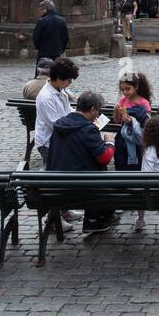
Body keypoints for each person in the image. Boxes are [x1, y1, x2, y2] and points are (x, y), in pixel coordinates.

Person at [45, 91, 116, 234]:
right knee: (109, 182)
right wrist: (109, 142)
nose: (98, 115)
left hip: (56, 185)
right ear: (93, 109)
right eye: (98, 111)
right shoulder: (87, 130)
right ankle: (94, 220)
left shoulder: (60, 124)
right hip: (82, 188)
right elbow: (105, 157)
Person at [33, 57, 79, 168]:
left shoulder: (60, 90)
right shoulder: (46, 98)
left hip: (59, 138)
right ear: (58, 78)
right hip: (48, 142)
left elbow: (67, 110)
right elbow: (57, 124)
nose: (70, 83)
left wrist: (81, 114)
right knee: (52, 169)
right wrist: (80, 123)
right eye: (68, 80)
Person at [113, 72, 153, 171]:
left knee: (136, 163)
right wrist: (116, 111)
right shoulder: (123, 101)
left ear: (136, 87)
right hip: (123, 137)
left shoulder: (144, 102)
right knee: (122, 160)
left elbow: (147, 123)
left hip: (137, 138)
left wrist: (131, 121)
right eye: (122, 90)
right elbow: (117, 120)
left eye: (127, 89)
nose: (125, 92)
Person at [31, 0, 69, 69]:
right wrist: (61, 49)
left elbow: (36, 37)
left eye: (40, 9)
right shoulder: (62, 20)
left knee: (42, 71)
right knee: (55, 73)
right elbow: (65, 37)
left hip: (44, 52)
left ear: (45, 9)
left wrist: (39, 47)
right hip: (57, 52)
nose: (39, 12)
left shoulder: (42, 21)